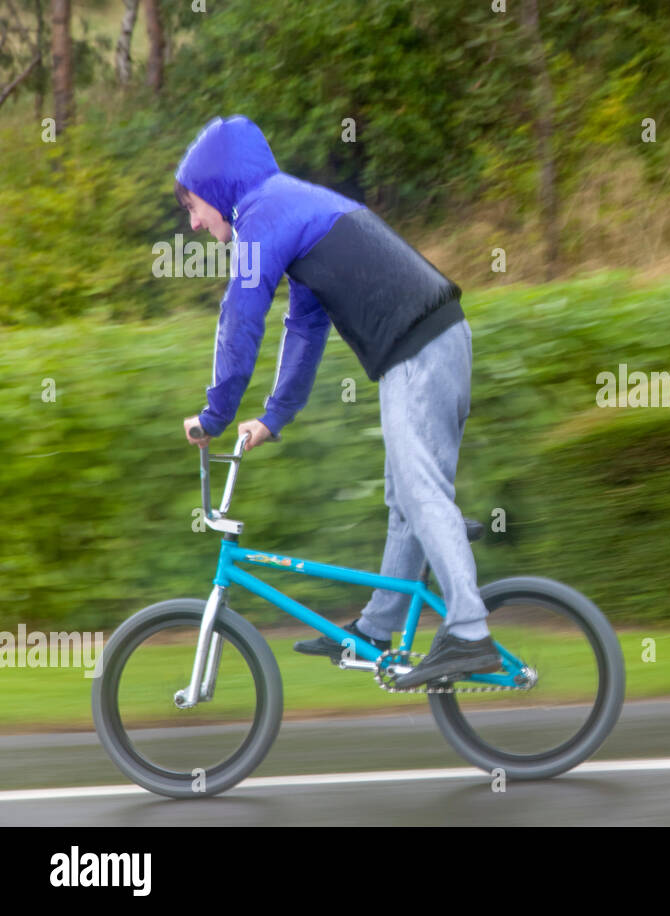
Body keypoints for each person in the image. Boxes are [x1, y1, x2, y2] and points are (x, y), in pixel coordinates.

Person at [175, 115, 498, 689]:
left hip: (421, 348)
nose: (194, 222)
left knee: (421, 494)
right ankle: (375, 632)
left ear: (220, 188)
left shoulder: (265, 214)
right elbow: (304, 328)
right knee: (406, 500)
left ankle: (470, 632)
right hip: (424, 346)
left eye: (193, 205)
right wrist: (275, 416)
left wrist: (214, 416)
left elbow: (241, 318)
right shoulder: (291, 207)